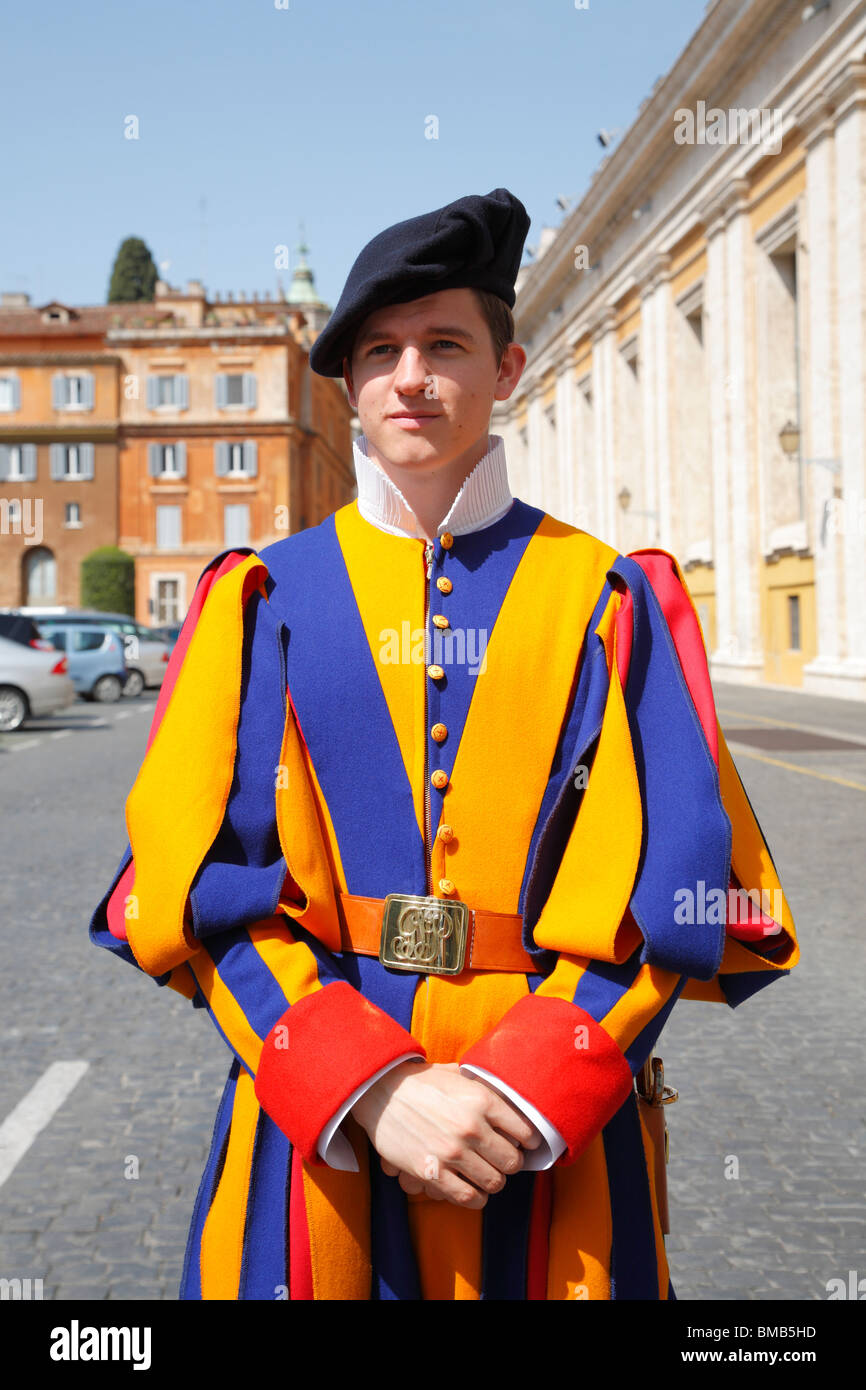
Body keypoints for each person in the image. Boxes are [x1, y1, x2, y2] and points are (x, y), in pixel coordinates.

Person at [89, 187, 799, 1301]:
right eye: (380, 350)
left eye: (443, 344)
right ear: (351, 384)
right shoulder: (261, 598)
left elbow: (678, 889)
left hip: (551, 1138)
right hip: (319, 1135)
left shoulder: (609, 601)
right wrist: (368, 1086)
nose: (410, 375)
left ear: (506, 368)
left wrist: (524, 1092)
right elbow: (194, 891)